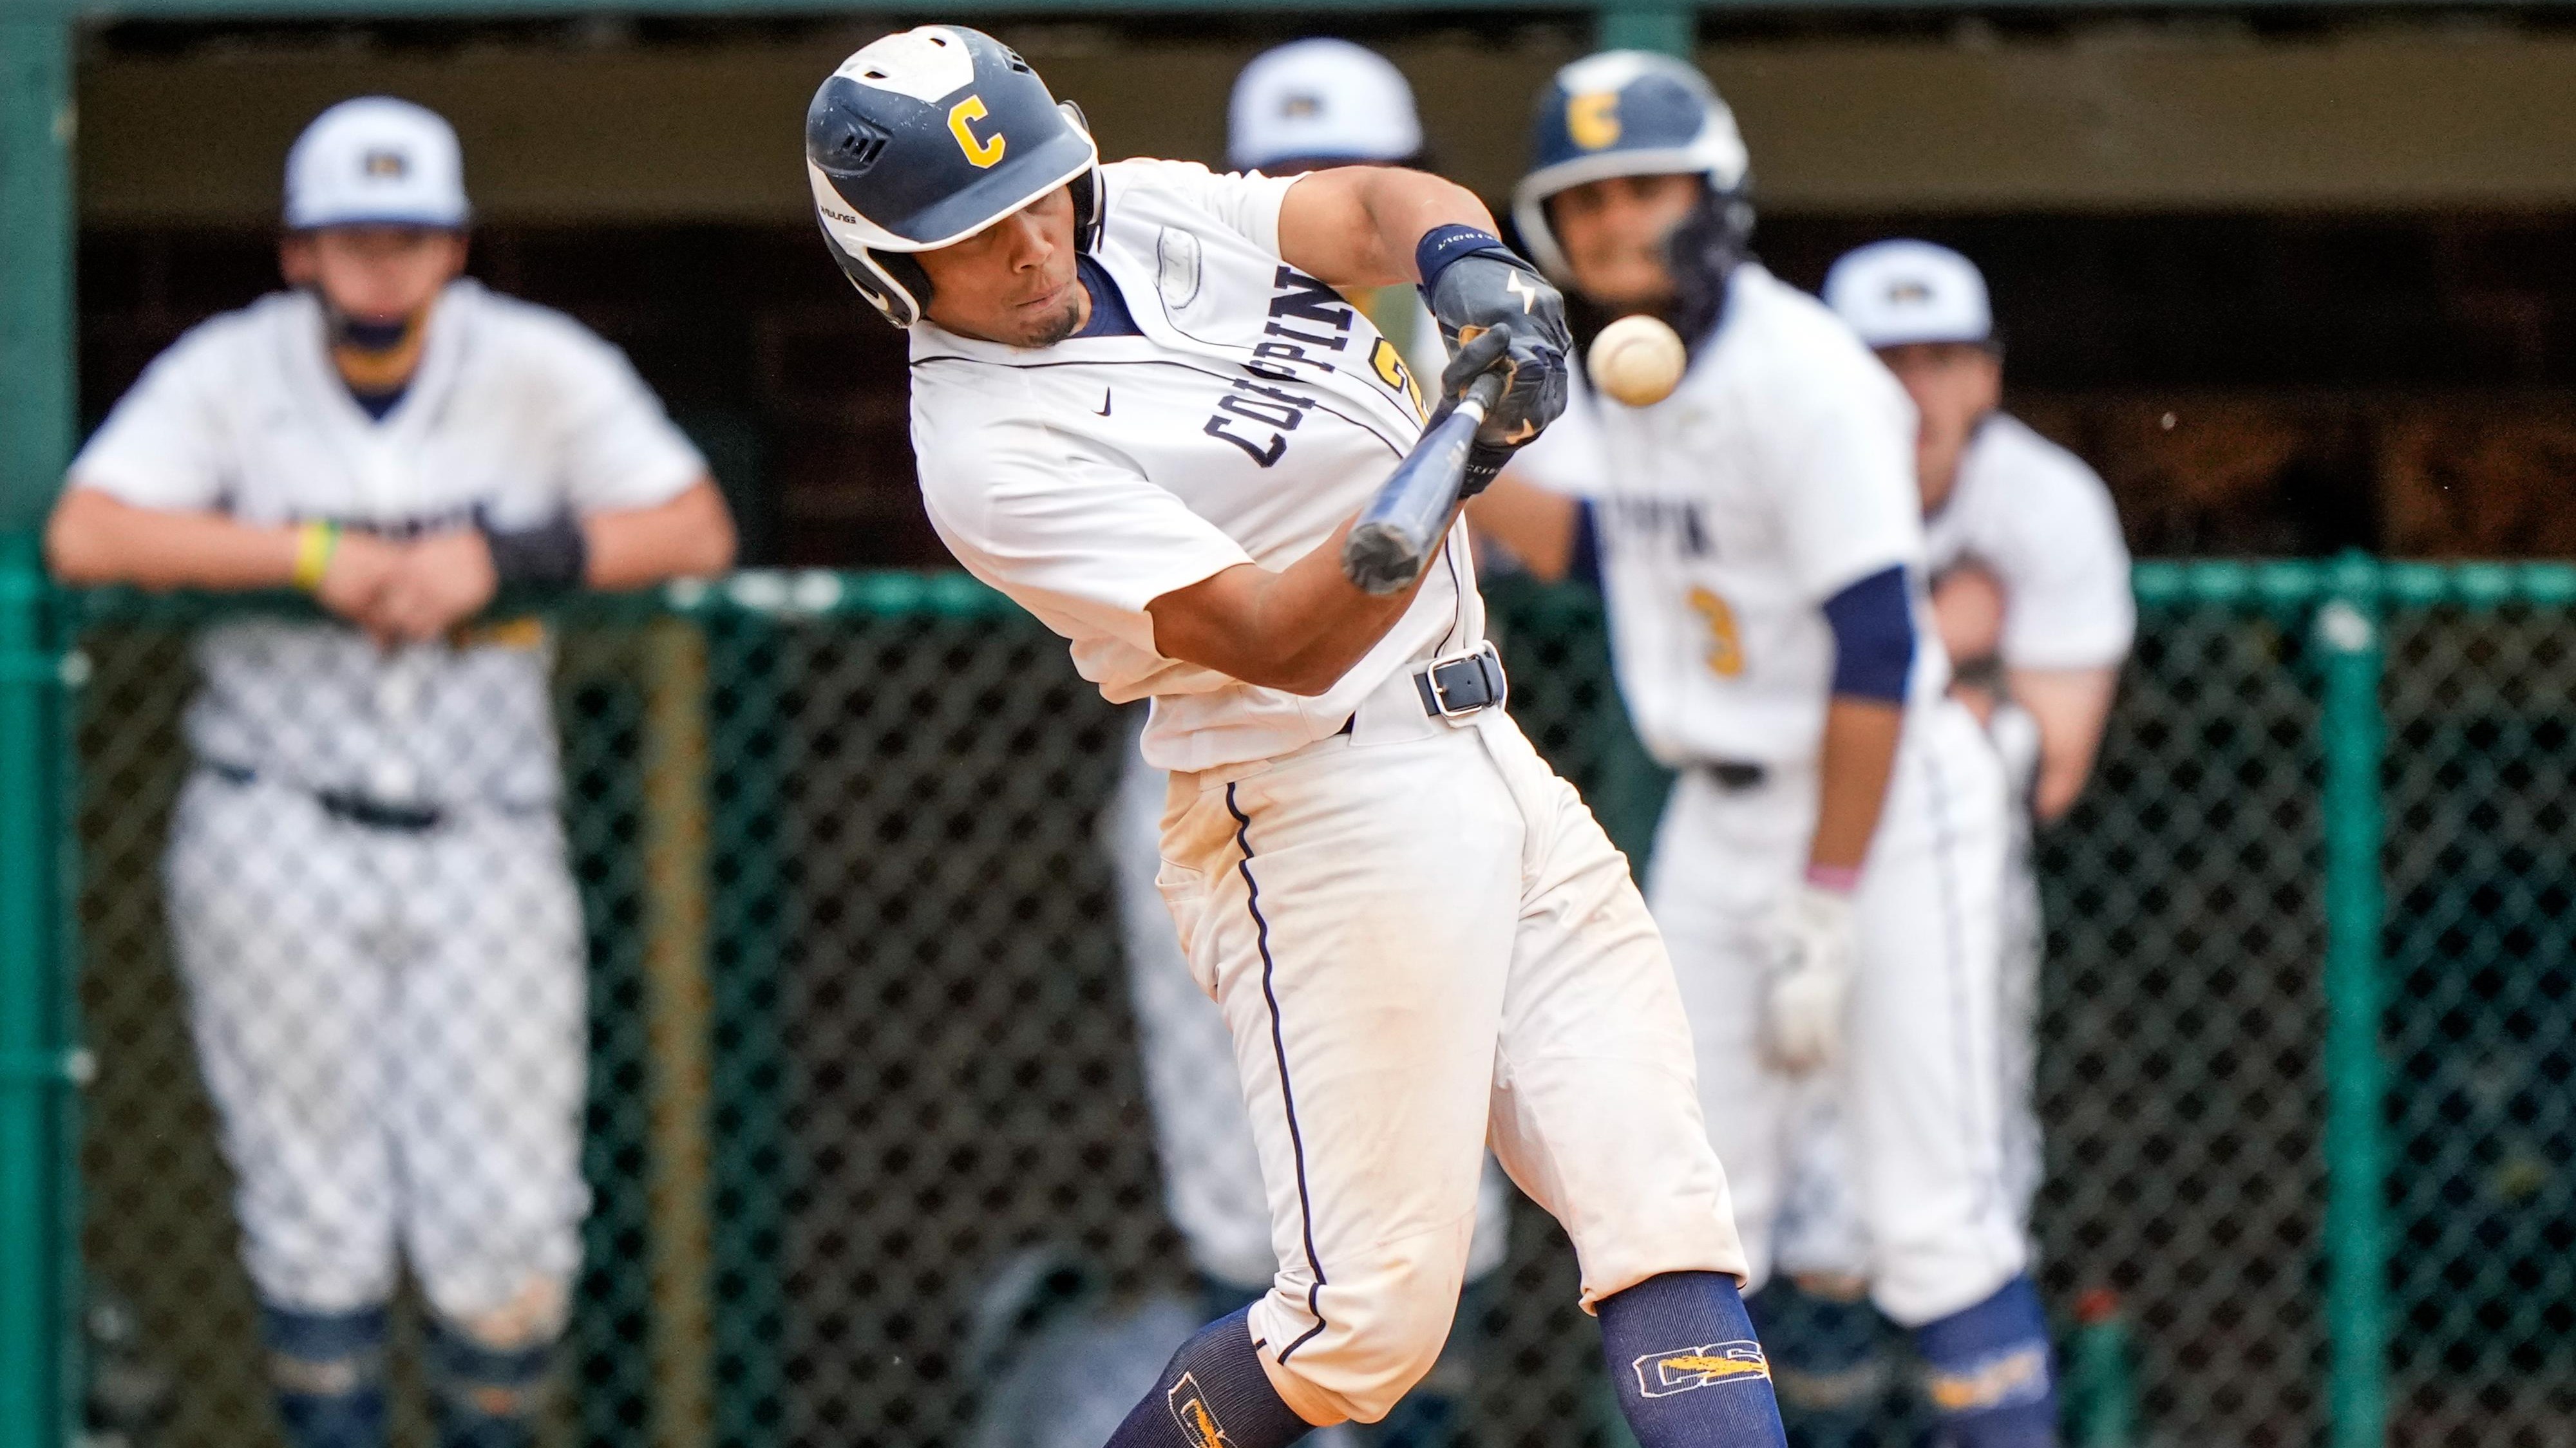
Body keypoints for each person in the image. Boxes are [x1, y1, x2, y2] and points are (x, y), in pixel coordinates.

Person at [804, 25, 1788, 1448]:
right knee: (1361, 1329)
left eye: (1037, 195)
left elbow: (1375, 207)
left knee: (1662, 1209)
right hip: (1317, 805)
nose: (1029, 245)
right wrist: (1465, 448)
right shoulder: (985, 456)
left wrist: (1466, 269)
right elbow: (1281, 636)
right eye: (973, 235)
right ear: (890, 268)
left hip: (1484, 743)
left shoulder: (1135, 214)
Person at [46, 97, 735, 1448]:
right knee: (314, 1216)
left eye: (407, 238)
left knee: (508, 1224)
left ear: (453, 247)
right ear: (298, 251)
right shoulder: (232, 368)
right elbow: (90, 530)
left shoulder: (533, 363)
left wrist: (505, 555)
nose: (380, 265)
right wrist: (308, 557)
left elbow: (692, 525)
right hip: (275, 819)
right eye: (352, 238)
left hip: (486, 829)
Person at [1469, 53, 2056, 1448]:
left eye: (1645, 187)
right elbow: (1604, 549)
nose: (1617, 221)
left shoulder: (1806, 376)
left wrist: (1828, 899)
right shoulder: (1628, 373)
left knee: (1930, 1216)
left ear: (1715, 193)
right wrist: (1450, 443)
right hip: (1718, 817)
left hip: (1882, 810)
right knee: (1683, 1203)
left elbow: (1877, 648)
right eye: (1586, 198)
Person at [1104, 37, 1508, 1448]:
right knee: (1248, 1185)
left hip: (1416, 764)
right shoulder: (1163, 351)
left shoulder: (1453, 339)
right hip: (1226, 780)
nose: (1319, 200)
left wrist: (1480, 414)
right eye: (1288, 176)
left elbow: (1563, 521)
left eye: (1349, 171)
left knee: (1427, 1194)